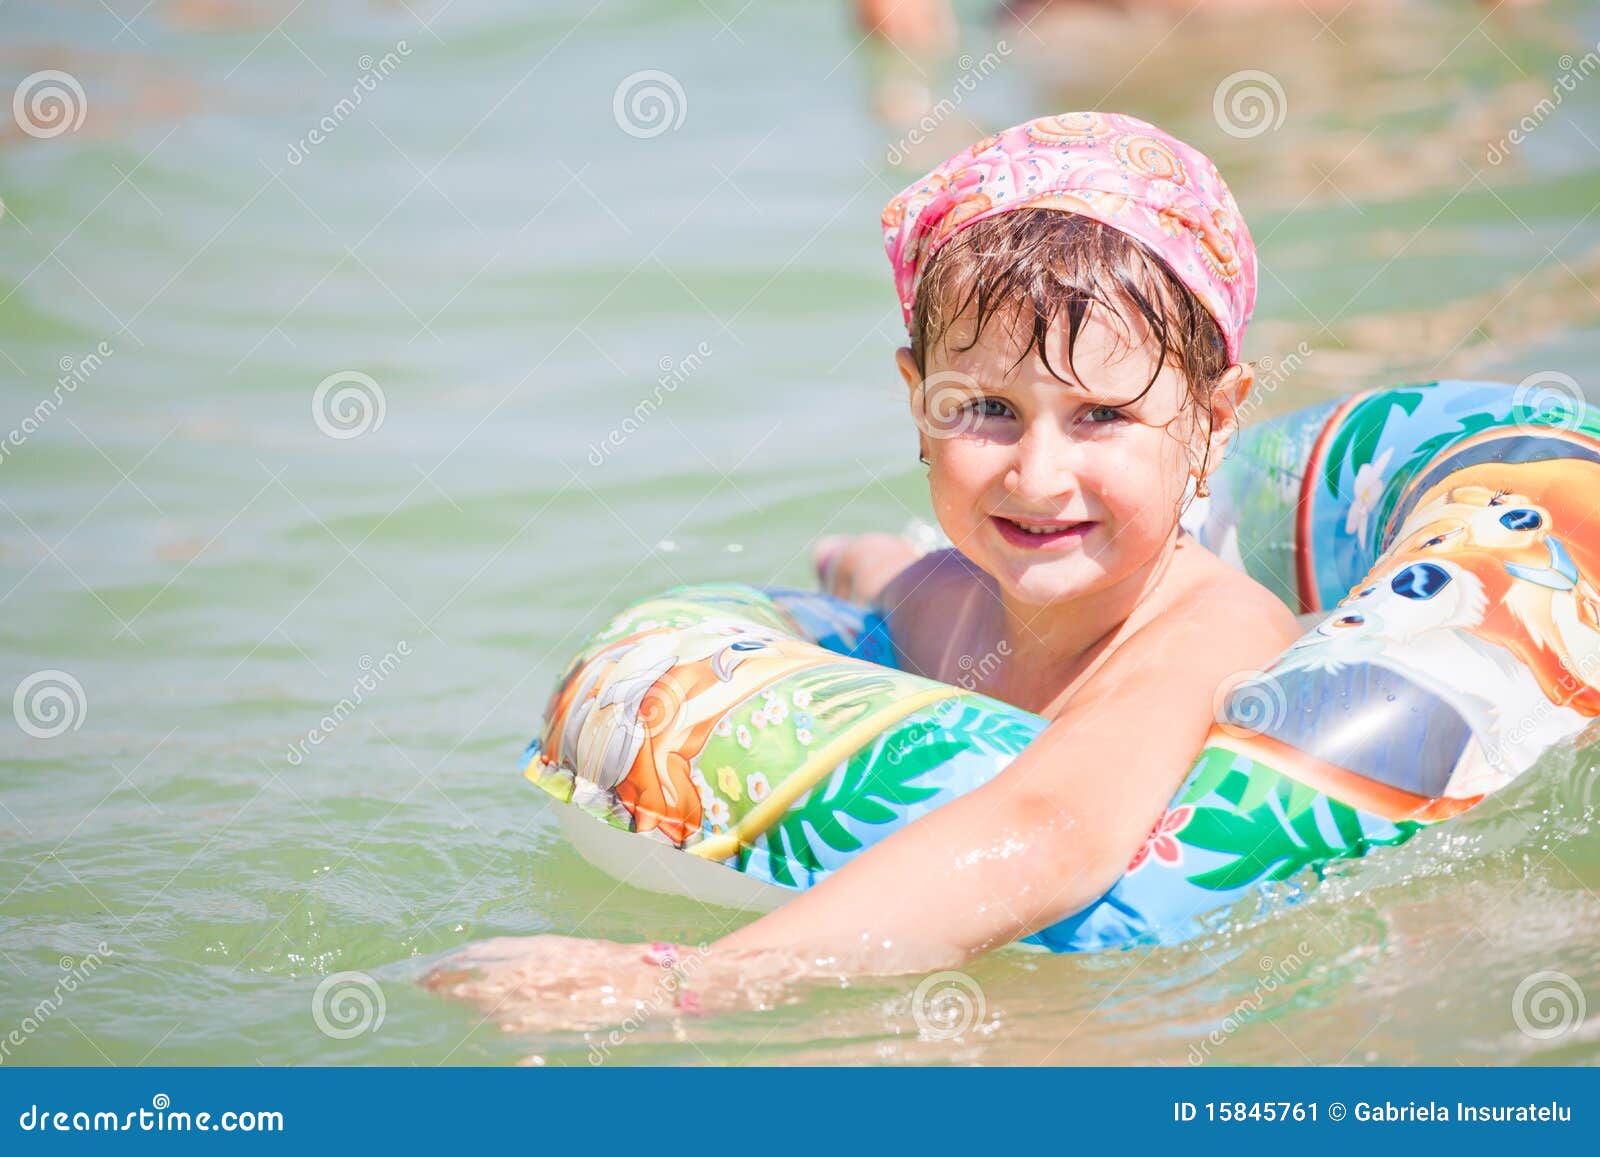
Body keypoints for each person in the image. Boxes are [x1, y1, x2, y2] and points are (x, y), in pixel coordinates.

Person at [426, 111, 1302, 1024]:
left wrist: (684, 982)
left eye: (1101, 416)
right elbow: (895, 588)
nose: (1037, 477)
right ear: (916, 400)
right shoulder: (944, 604)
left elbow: (1055, 831)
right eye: (988, 407)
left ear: (1216, 419)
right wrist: (851, 564)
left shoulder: (1210, 635)